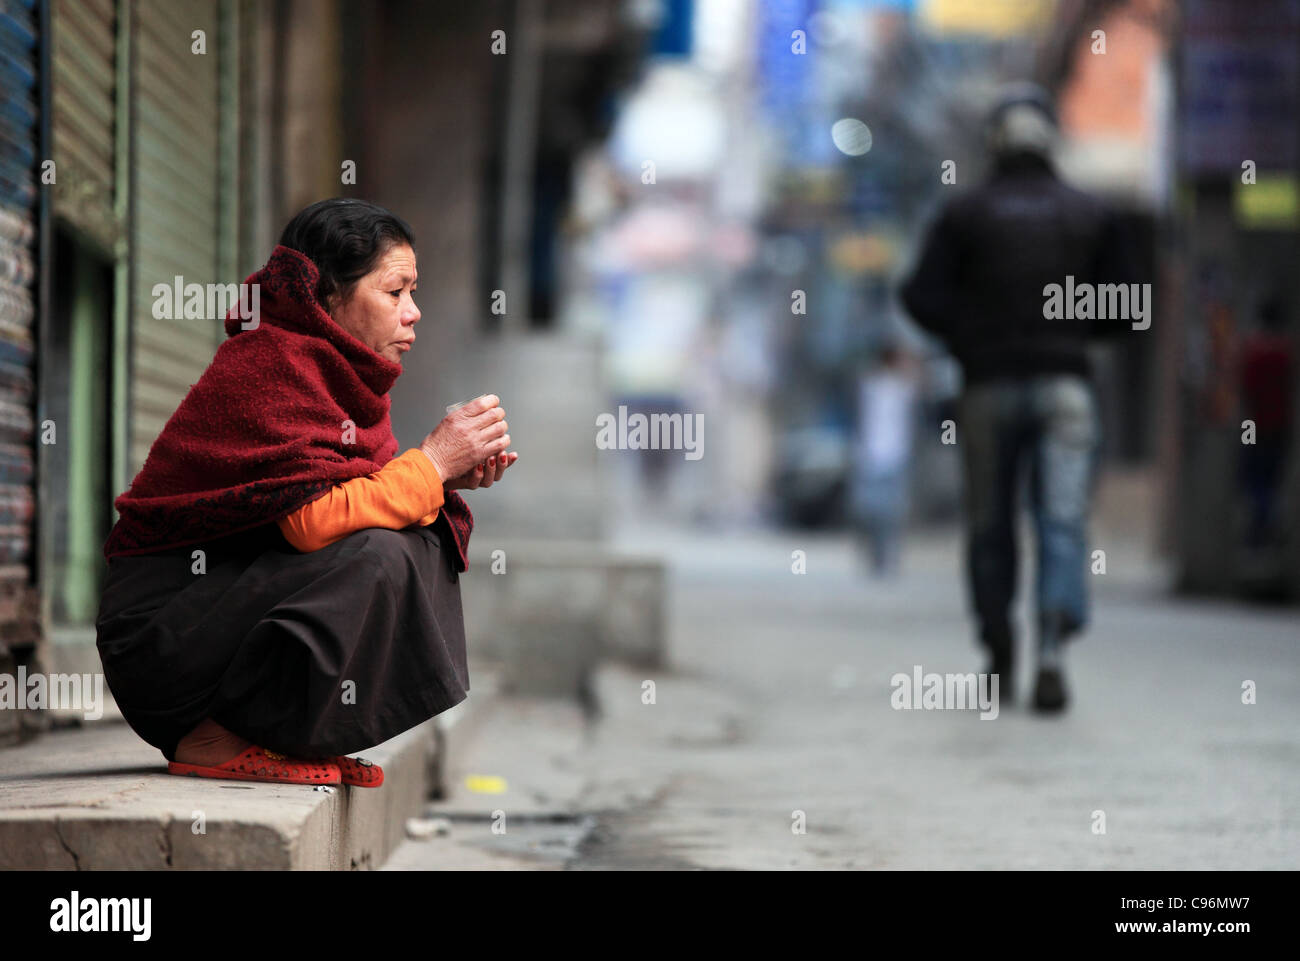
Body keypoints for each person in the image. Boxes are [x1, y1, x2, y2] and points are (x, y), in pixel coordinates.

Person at [95, 198, 517, 786]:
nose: (413, 312)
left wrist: (443, 477)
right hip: (163, 645)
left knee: (416, 538)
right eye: (394, 292)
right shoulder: (268, 366)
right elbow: (311, 523)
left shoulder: (337, 375)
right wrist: (432, 462)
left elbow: (355, 495)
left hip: (209, 621)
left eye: (413, 292)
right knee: (379, 551)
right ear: (327, 298)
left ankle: (279, 736)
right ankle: (214, 738)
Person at [899, 83, 1137, 712]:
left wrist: (970, 335)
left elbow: (918, 296)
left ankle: (998, 647)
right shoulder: (1090, 213)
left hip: (986, 389)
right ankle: (1053, 649)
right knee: (1060, 522)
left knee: (989, 526)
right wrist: (1076, 330)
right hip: (1066, 388)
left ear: (993, 143)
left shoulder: (964, 214)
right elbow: (1128, 307)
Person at [850, 343, 919, 577]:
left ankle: (886, 559)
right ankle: (876, 558)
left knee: (889, 514)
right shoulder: (873, 386)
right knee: (875, 512)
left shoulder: (900, 388)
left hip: (891, 457)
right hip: (875, 456)